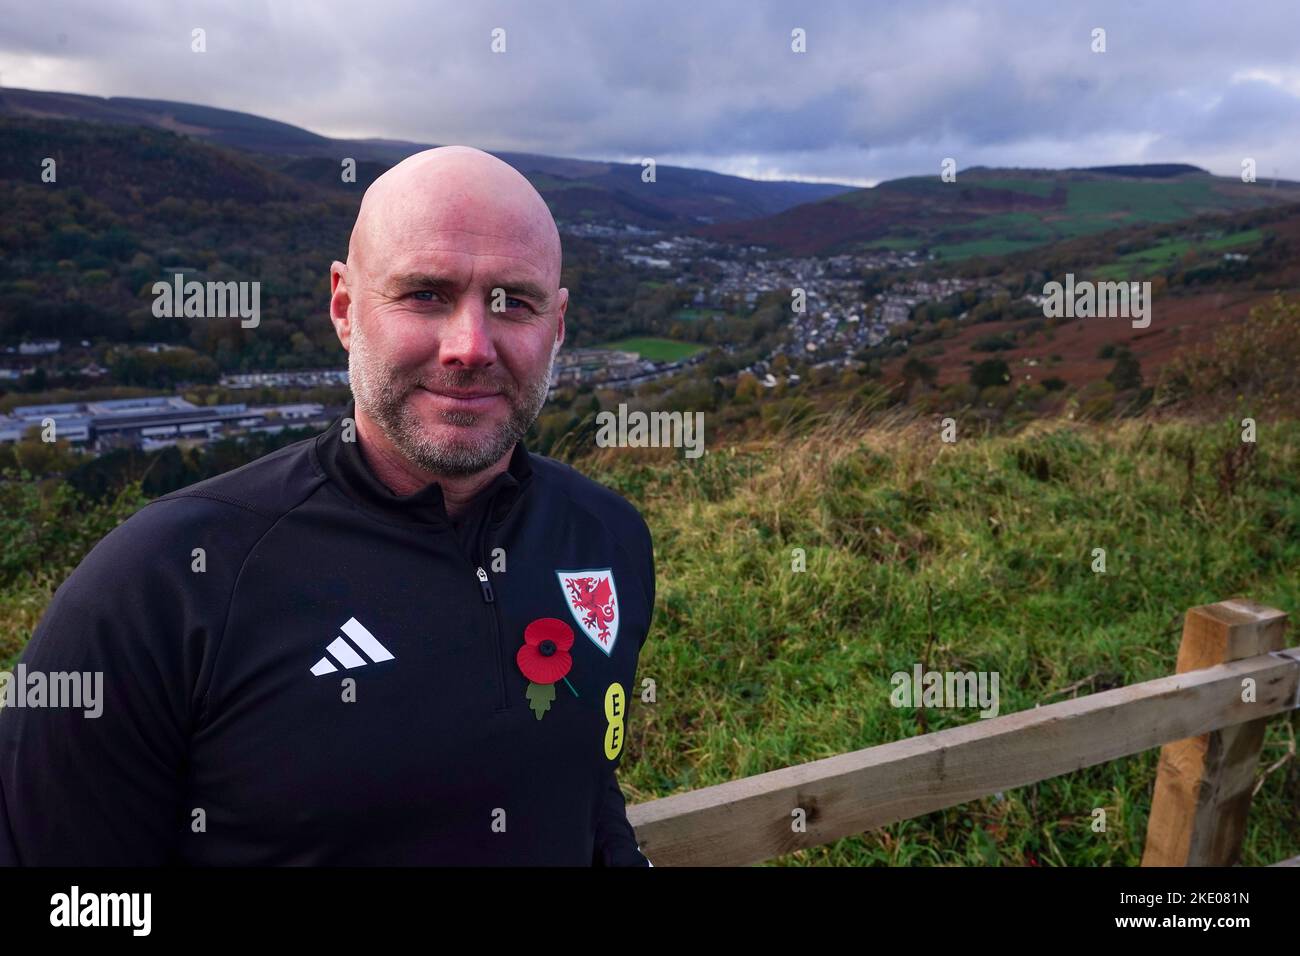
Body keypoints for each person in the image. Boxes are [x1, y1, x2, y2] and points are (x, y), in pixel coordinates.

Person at [0, 146, 655, 866]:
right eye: (425, 294)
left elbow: (586, 791)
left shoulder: (606, 538)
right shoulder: (160, 586)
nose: (470, 346)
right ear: (345, 309)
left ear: (556, 326)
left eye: (514, 302)